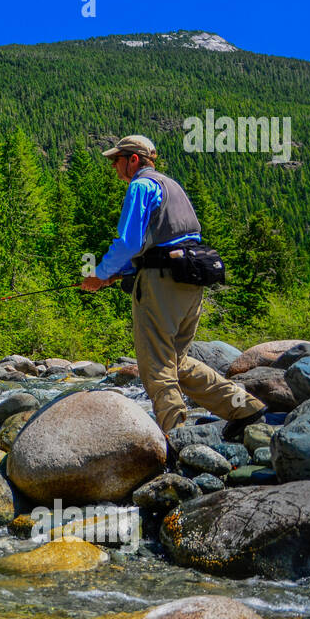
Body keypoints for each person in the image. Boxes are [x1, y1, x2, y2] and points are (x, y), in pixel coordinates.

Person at [78, 135, 265, 439]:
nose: (113, 166)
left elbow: (129, 243)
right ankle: (246, 407)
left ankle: (177, 435)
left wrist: (100, 274)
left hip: (161, 284)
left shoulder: (140, 186)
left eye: (116, 160)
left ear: (133, 159)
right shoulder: (171, 185)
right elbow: (166, 241)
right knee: (176, 362)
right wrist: (117, 275)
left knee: (156, 366)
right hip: (191, 281)